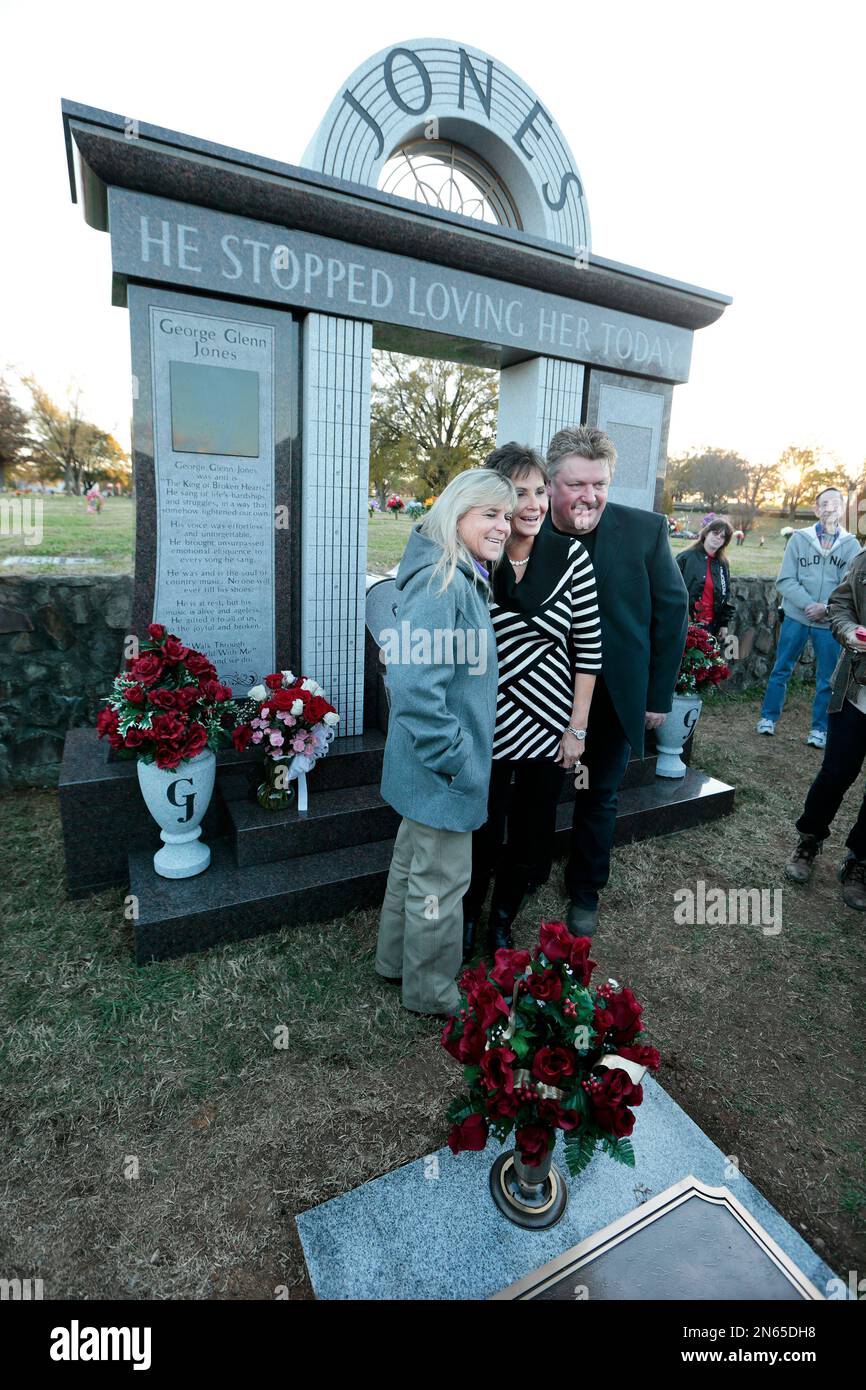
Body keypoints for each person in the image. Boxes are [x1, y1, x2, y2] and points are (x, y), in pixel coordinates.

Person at [375, 468, 517, 1017]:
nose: (503, 525)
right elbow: (412, 685)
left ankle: (395, 963)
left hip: (427, 768)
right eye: (490, 514)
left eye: (506, 516)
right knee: (442, 880)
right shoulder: (445, 582)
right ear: (456, 514)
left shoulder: (460, 574)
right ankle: (431, 992)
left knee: (412, 866)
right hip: (440, 770)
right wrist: (455, 758)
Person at [543, 425, 689, 936]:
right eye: (576, 484)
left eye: (599, 484)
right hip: (540, 697)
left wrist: (657, 695)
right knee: (536, 795)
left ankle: (585, 890)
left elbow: (672, 613)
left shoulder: (645, 531)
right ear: (551, 481)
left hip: (612, 696)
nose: (589, 496)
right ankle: (526, 872)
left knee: (598, 794)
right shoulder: (526, 529)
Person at [461, 443, 601, 959]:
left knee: (531, 833)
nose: (534, 503)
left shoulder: (571, 557)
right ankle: (467, 918)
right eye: (519, 492)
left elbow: (588, 648)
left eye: (541, 491)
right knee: (479, 827)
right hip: (486, 722)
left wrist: (577, 728)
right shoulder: (477, 556)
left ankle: (503, 920)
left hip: (549, 722)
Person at [783, 544, 866, 909]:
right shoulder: (864, 559)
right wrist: (849, 630)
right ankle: (809, 840)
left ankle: (859, 860)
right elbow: (840, 605)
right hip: (853, 690)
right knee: (835, 774)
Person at [757, 488, 860, 748]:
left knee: (828, 678)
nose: (829, 509)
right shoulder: (799, 539)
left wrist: (826, 608)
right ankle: (768, 718)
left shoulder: (851, 545)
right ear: (816, 510)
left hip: (829, 623)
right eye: (824, 504)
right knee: (782, 668)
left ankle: (819, 730)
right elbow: (786, 579)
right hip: (796, 616)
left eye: (835, 504)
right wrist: (808, 604)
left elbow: (848, 588)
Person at [675, 518, 734, 638]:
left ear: (725, 542)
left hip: (711, 627)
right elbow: (670, 589)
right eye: (715, 533)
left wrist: (724, 623)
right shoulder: (685, 558)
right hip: (685, 624)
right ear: (707, 533)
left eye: (722, 536)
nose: (718, 538)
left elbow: (725, 594)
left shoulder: (723, 564)